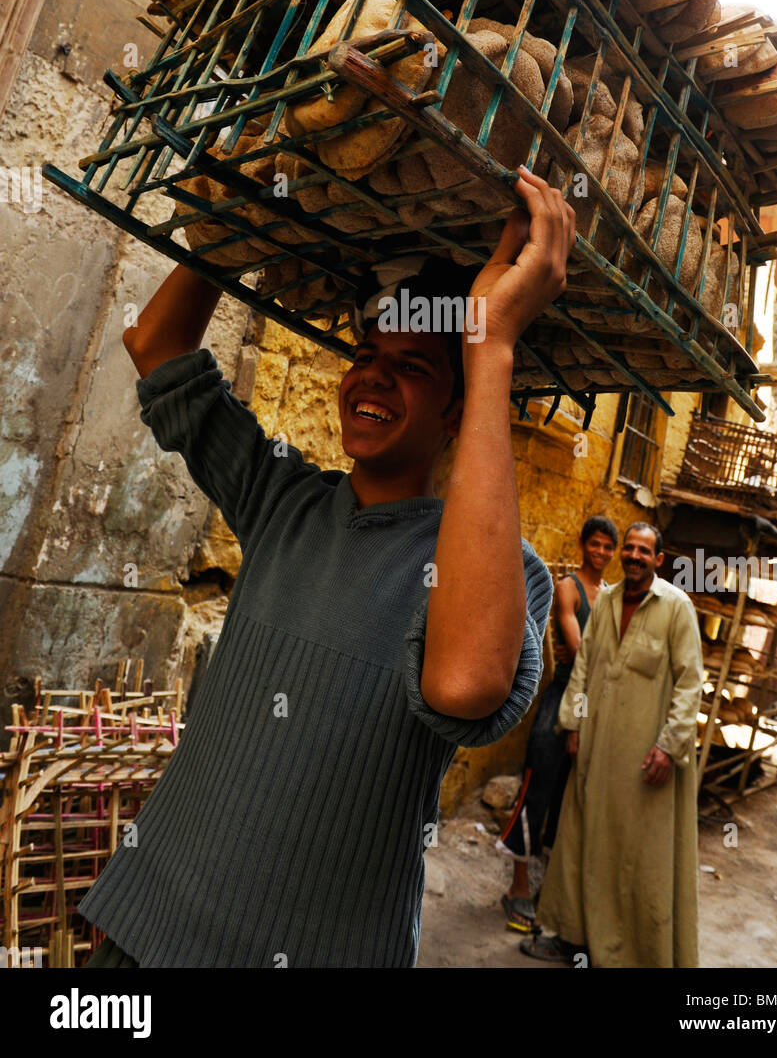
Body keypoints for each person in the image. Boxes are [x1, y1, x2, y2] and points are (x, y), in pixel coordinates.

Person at [76, 166, 575, 968]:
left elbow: (463, 686)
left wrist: (492, 347)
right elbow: (156, 344)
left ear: (457, 413)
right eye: (366, 353)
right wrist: (230, 234)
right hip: (144, 929)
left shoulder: (504, 576)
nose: (374, 375)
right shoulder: (281, 499)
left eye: (414, 367)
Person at [522, 521, 703, 967]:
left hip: (647, 761)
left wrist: (668, 746)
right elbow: (583, 667)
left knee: (636, 855)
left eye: (645, 550)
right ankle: (572, 938)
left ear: (659, 560)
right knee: (581, 840)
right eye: (631, 548)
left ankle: (637, 954)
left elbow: (690, 683)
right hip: (595, 751)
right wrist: (576, 726)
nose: (635, 555)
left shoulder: (677, 608)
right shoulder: (605, 603)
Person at [497, 515, 618, 932]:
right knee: (538, 790)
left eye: (607, 547)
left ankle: (551, 891)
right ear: (583, 545)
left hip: (593, 705)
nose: (600, 552)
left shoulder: (613, 596)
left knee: (572, 800)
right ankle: (516, 889)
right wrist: (596, 655)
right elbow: (580, 648)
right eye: (595, 544)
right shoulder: (568, 588)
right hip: (564, 698)